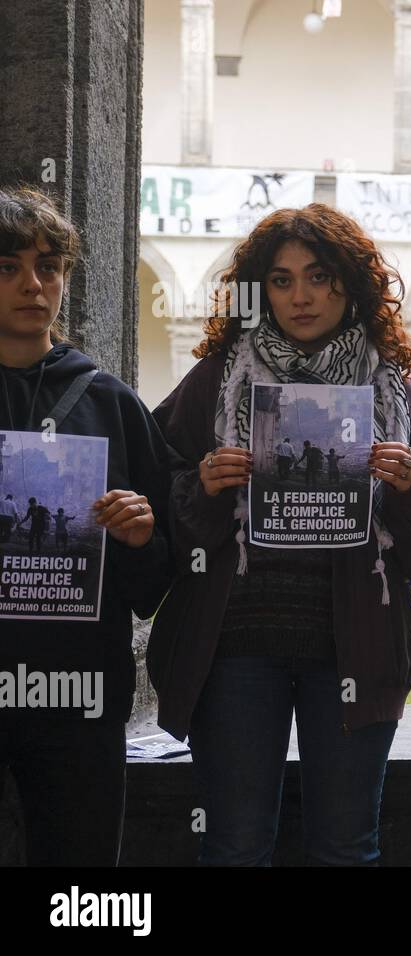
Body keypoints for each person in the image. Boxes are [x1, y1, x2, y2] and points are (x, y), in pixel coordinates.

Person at [147, 203, 411, 866]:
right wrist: (200, 485)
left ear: (350, 283)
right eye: (282, 280)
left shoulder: (398, 394)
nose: (301, 296)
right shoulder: (213, 382)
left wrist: (408, 492)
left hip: (356, 645)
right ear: (258, 291)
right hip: (233, 647)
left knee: (346, 848)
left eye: (319, 277)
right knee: (233, 846)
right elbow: (153, 508)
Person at [0, 185, 173, 866]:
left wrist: (138, 537)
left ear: (67, 278)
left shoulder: (109, 403)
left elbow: (154, 580)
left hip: (77, 690)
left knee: (81, 874)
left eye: (49, 266)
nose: (32, 284)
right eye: (7, 267)